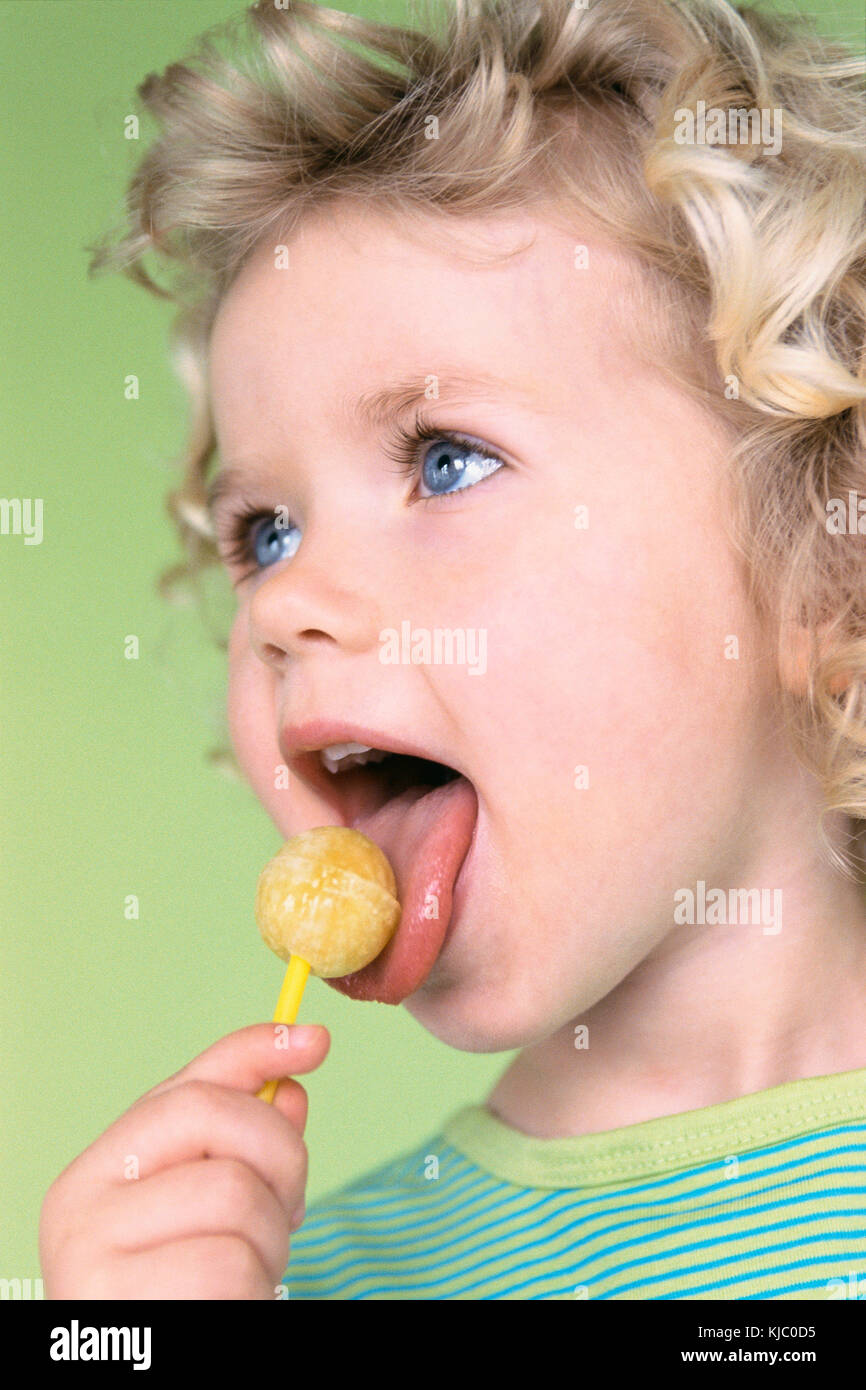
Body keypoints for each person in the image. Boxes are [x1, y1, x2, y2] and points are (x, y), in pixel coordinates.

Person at [40, 0, 866, 1299]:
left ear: (829, 562)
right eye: (261, 530)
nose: (283, 599)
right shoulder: (287, 1275)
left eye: (445, 459)